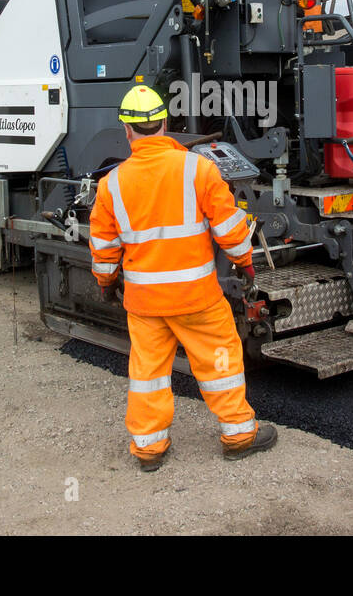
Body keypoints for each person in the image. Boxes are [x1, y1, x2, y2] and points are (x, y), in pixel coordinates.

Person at [88, 84, 279, 470]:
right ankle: (239, 434)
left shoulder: (112, 185)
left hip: (145, 305)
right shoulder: (199, 169)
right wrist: (245, 263)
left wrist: (106, 285)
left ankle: (149, 449)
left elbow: (103, 251)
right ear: (165, 125)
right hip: (197, 298)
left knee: (148, 373)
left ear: (127, 130)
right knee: (219, 360)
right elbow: (230, 229)